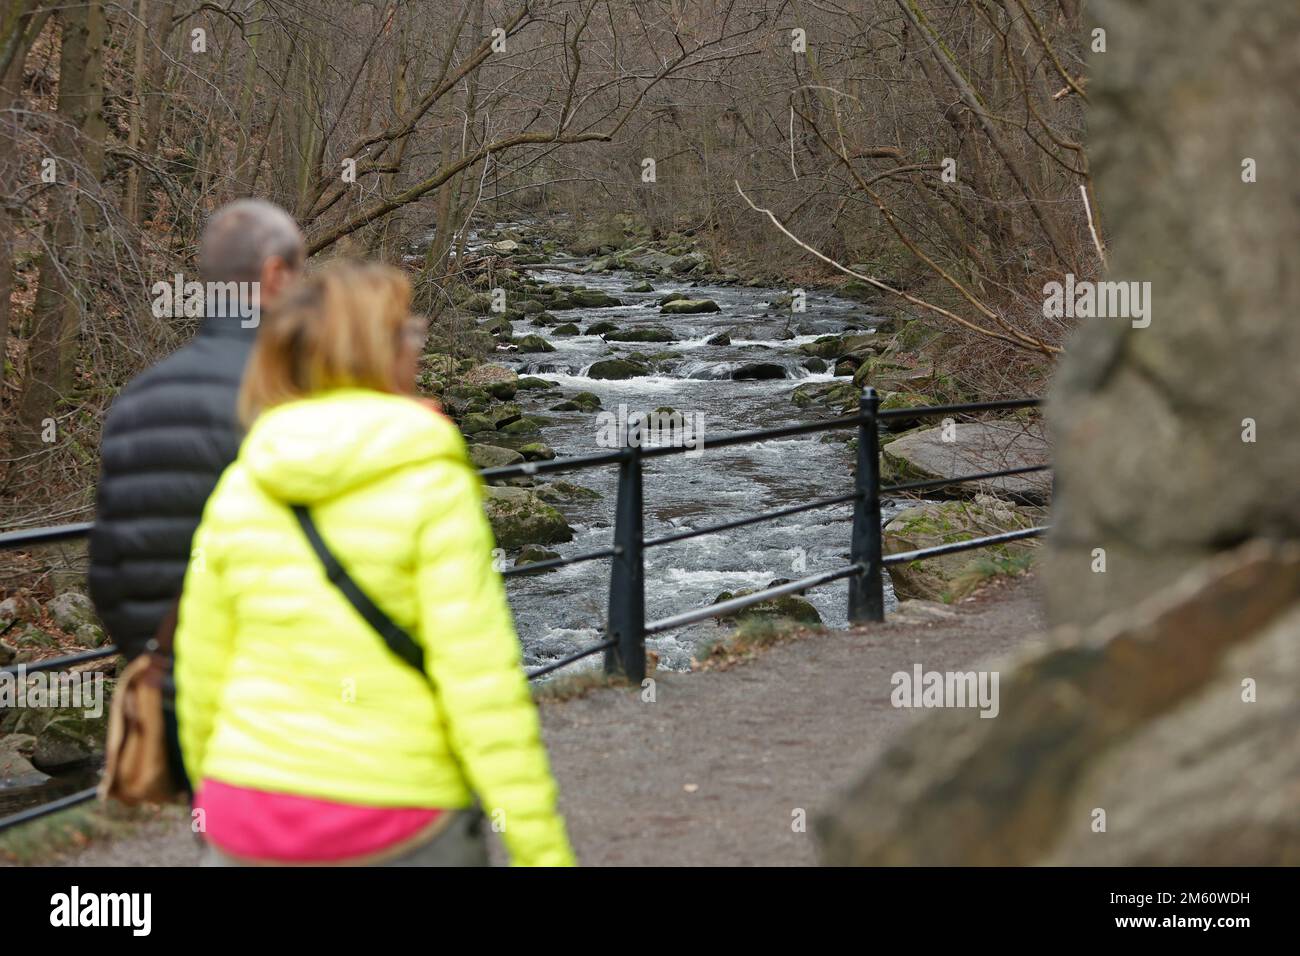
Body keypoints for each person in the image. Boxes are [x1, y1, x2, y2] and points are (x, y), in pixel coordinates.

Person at [173, 261, 574, 866]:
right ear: (375, 353)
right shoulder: (432, 482)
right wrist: (541, 852)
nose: (418, 342)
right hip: (399, 812)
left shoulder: (240, 487)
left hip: (247, 812)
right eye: (407, 332)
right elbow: (480, 680)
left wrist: (213, 793)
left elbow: (201, 672)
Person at [88, 199, 305, 793]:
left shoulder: (135, 401)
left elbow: (108, 572)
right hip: (289, 706)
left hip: (176, 699)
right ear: (274, 275)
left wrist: (166, 668)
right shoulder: (301, 396)